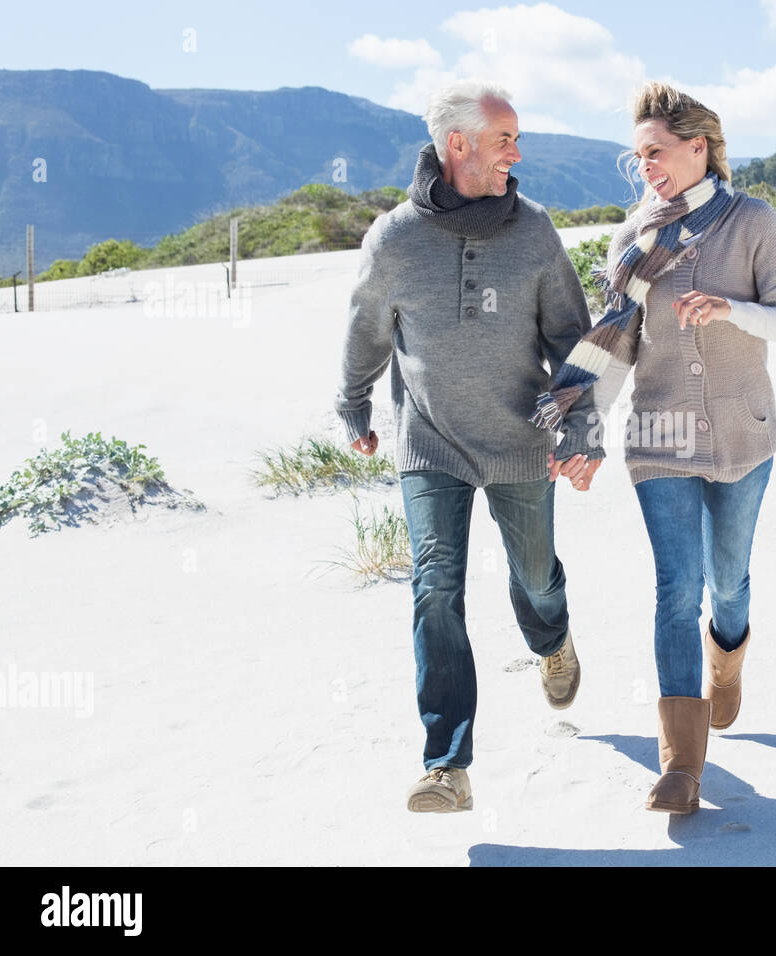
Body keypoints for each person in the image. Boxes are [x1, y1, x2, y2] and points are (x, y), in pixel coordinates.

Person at [532, 82, 776, 813]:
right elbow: (615, 348)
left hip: (742, 434)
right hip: (658, 437)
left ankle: (728, 659)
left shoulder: (751, 222)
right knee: (675, 591)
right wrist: (582, 432)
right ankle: (681, 765)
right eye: (639, 158)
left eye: (657, 152)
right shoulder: (632, 239)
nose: (647, 168)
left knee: (728, 585)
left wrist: (734, 310)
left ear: (701, 146)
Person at [335, 80, 603, 813]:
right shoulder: (394, 238)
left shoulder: (536, 231)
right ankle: (445, 764)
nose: (518, 152)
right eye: (504, 139)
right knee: (434, 587)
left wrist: (580, 427)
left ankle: (551, 639)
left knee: (536, 576)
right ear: (457, 146)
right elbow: (367, 327)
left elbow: (571, 341)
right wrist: (353, 402)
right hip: (431, 442)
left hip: (521, 440)